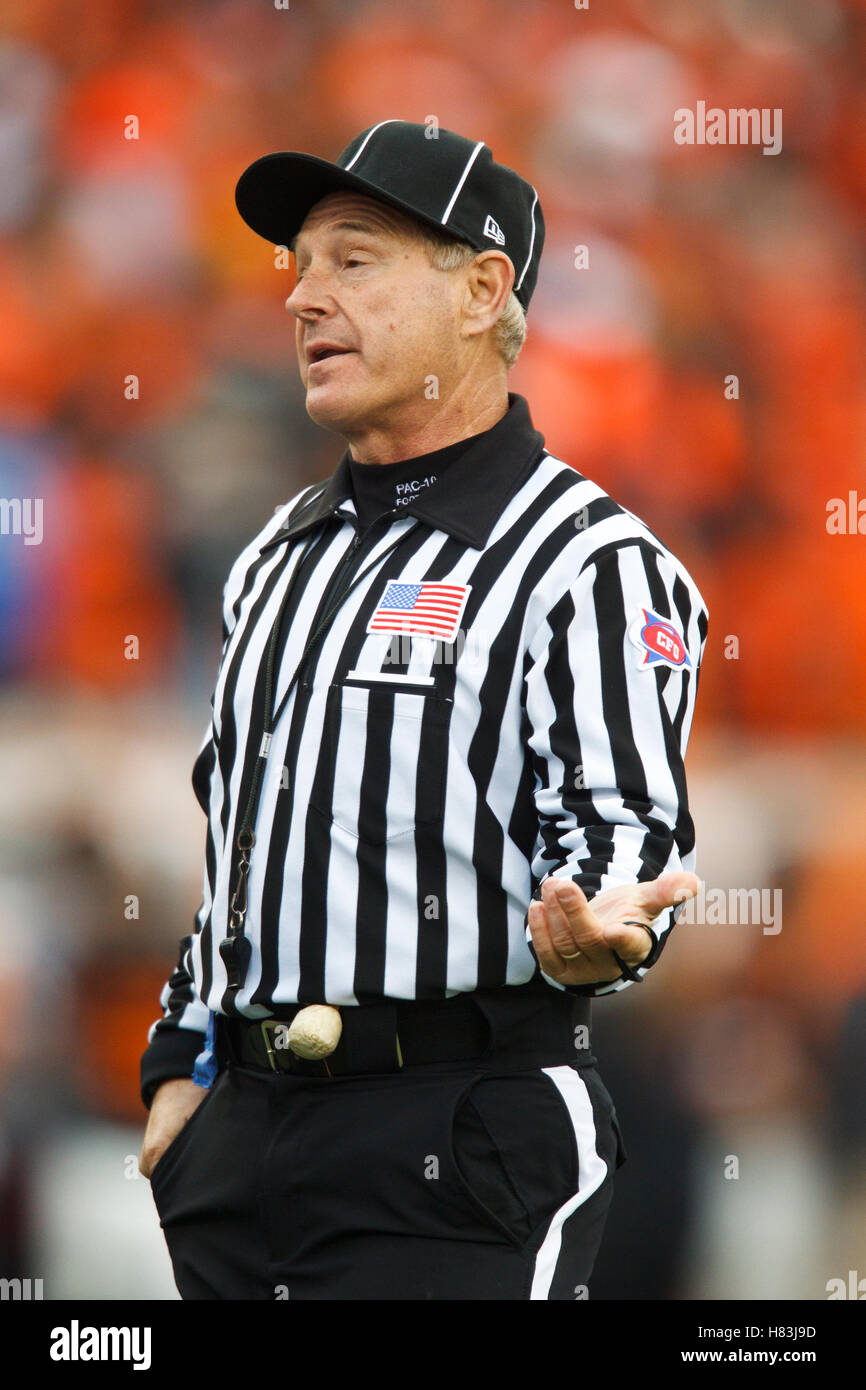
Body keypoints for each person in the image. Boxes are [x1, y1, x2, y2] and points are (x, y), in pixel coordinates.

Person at [138, 119, 707, 1301]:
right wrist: (180, 1065)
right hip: (243, 1141)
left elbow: (619, 828)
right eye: (298, 265)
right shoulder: (272, 559)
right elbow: (237, 849)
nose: (302, 297)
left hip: (455, 1131)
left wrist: (601, 925)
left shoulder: (586, 559)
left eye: (354, 259)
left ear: (481, 290)